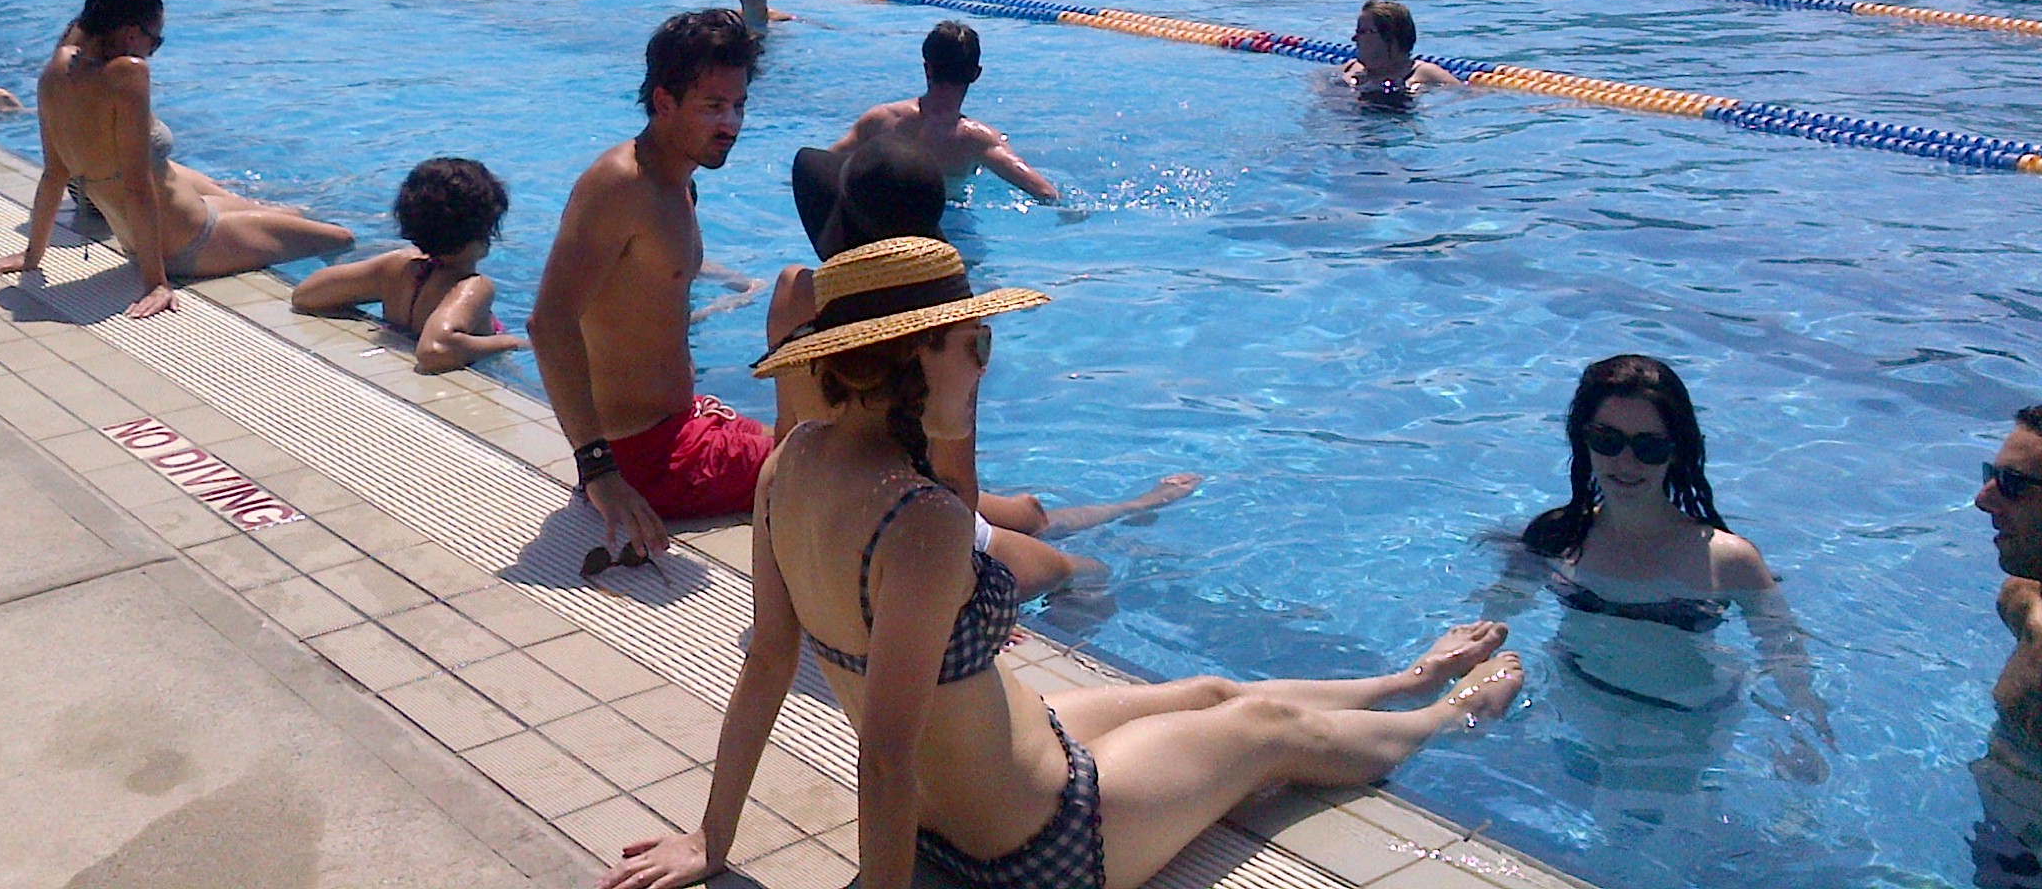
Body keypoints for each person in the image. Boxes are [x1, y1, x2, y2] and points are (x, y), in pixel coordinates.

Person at [605, 238, 1524, 889]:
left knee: (1206, 692)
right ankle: (1446, 714)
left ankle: (1404, 675)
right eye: (970, 340)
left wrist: (711, 835)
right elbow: (883, 756)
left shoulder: (791, 463)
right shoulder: (915, 520)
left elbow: (769, 659)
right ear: (919, 354)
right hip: (1042, 840)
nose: (987, 352)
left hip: (975, 786)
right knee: (1267, 729)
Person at [771, 139, 1196, 600]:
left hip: (821, 499)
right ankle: (1138, 506)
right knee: (1086, 571)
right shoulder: (939, 328)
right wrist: (973, 600)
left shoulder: (794, 290)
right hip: (908, 523)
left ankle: (1122, 507)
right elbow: (956, 489)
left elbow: (787, 431)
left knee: (1027, 514)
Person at [1481, 353, 1831, 781]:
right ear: (1582, 439)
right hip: (1575, 704)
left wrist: (1806, 736)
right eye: (1607, 441)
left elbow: (1786, 657)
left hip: (1686, 728)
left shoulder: (1728, 561)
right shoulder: (1556, 539)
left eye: (1648, 447)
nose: (1626, 464)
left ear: (1676, 451)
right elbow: (1489, 622)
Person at [0, 0, 351, 318]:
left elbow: (54, 173)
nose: (154, 50)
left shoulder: (58, 70)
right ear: (132, 33)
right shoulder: (127, 75)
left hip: (170, 227)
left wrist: (33, 257)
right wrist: (156, 282)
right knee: (341, 238)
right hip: (189, 241)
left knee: (296, 215)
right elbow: (137, 185)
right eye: (157, 39)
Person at [529, 9, 766, 556]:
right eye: (713, 106)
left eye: (738, 105)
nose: (731, 124)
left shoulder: (677, 180)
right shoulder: (621, 184)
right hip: (647, 458)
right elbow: (549, 323)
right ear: (664, 102)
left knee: (826, 445)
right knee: (831, 475)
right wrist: (599, 471)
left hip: (682, 424)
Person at [289, 157, 527, 372]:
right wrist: (510, 342)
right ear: (485, 230)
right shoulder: (472, 287)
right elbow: (435, 350)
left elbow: (306, 294)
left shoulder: (397, 267)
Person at [1973, 401, 2042, 887]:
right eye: (1992, 475)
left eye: (2013, 484)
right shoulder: (2026, 604)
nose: (1983, 500)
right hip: (2004, 841)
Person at [831, 20, 1059, 201]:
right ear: (976, 74)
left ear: (927, 68)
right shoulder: (976, 139)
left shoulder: (880, 120)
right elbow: (1045, 192)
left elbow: (825, 163)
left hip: (885, 222)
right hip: (947, 230)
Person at [1338, 0, 1460, 107]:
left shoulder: (1423, 73)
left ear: (1392, 38)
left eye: (1363, 32)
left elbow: (1463, 96)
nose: (1354, 38)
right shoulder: (1350, 68)